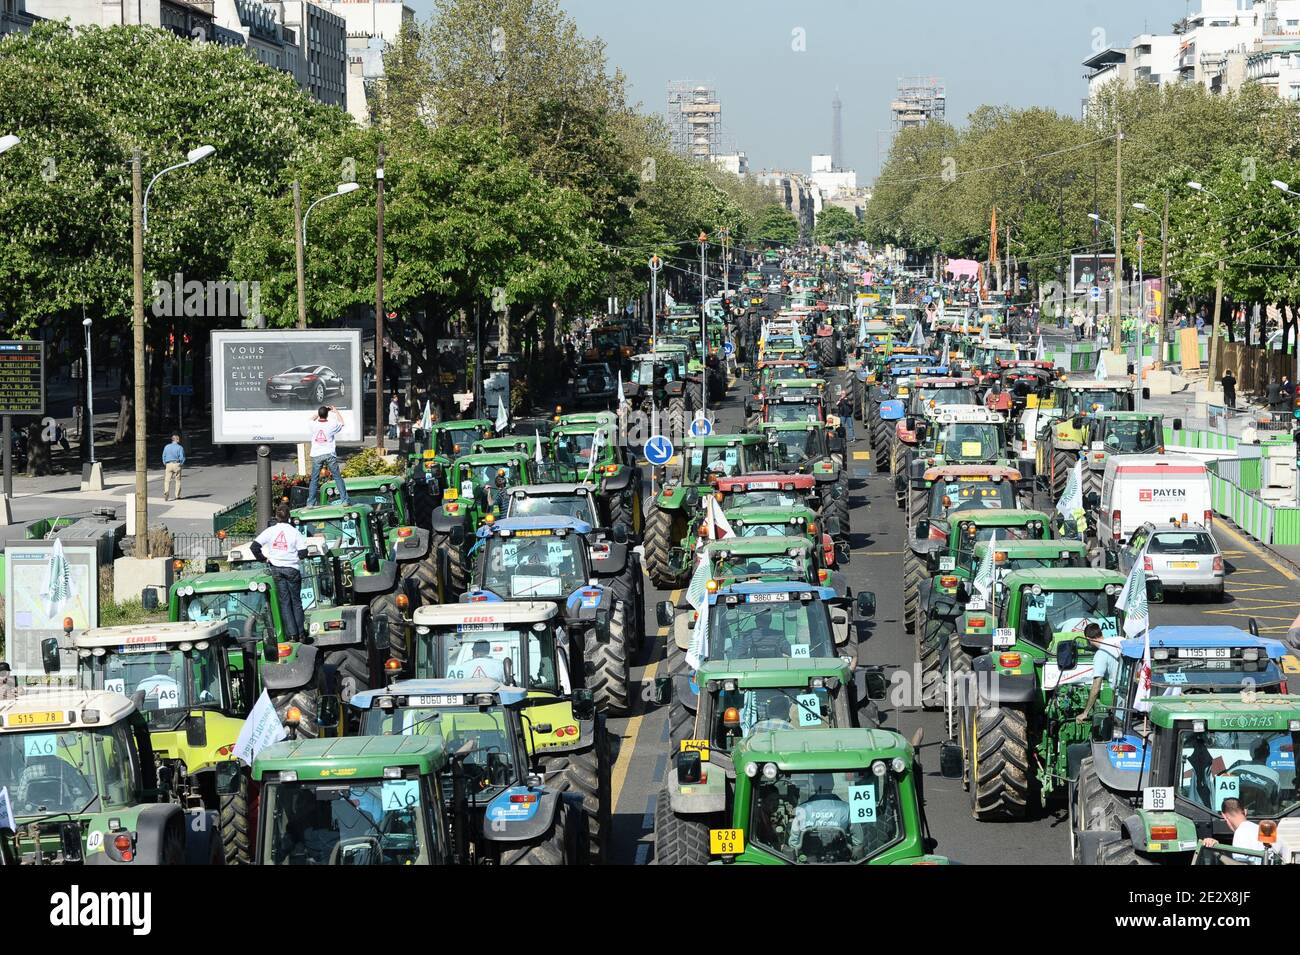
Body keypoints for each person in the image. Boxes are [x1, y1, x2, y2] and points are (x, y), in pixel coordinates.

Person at [251, 504, 309, 643]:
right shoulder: (294, 532)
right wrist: (295, 557)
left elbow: (254, 547)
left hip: (276, 568)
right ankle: (301, 633)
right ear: (289, 517)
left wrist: (264, 559)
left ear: (276, 517)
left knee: (284, 602)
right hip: (292, 569)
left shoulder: (270, 531)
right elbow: (303, 552)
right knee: (296, 602)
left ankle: (292, 635)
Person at [1200, 798, 1287, 864]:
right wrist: (1219, 847)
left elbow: (1239, 863)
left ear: (1224, 816)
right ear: (1245, 812)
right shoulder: (1261, 829)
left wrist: (1217, 851)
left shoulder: (1240, 834)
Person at [1076, 623, 1123, 723]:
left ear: (1088, 639)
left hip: (1121, 697)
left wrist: (1085, 712)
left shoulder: (1100, 654)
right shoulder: (1120, 639)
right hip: (1135, 691)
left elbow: (1096, 687)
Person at [307, 406, 350, 506]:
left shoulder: (313, 424)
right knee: (337, 477)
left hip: (317, 454)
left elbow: (310, 419)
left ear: (319, 415)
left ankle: (310, 503)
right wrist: (335, 411)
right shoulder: (332, 424)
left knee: (314, 479)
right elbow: (342, 423)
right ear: (327, 414)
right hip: (329, 453)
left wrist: (320, 412)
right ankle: (344, 500)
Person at [162, 433, 185, 501]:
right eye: (178, 439)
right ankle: (177, 495)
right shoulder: (180, 447)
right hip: (176, 464)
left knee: (167, 480)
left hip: (168, 464)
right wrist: (181, 463)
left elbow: (163, 455)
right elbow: (182, 457)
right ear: (177, 440)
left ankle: (166, 492)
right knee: (177, 480)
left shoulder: (166, 446)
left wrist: (165, 463)